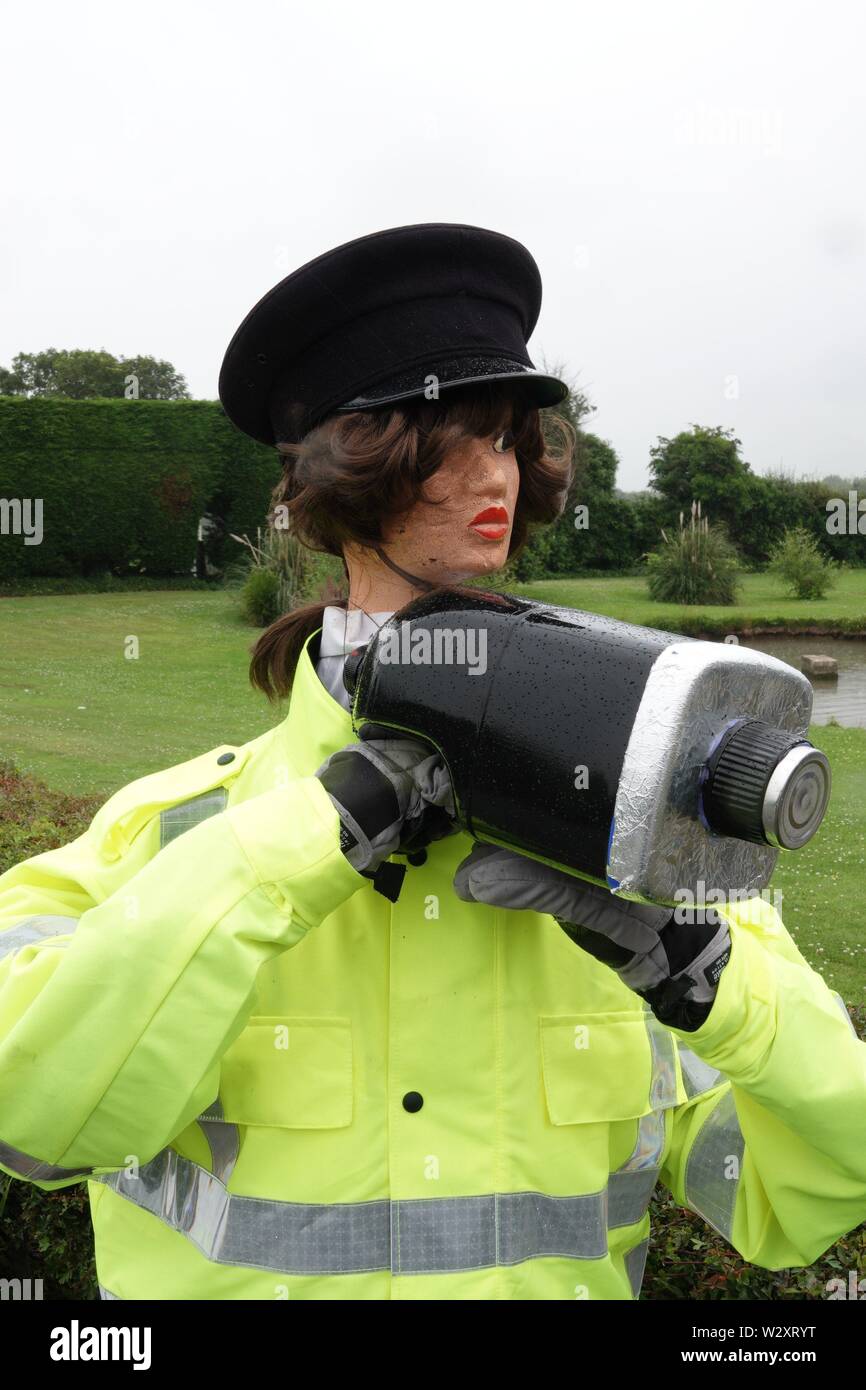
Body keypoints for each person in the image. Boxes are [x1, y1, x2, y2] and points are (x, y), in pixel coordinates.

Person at [0, 224, 864, 1302]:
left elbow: (809, 1195)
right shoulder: (166, 833)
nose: (491, 471)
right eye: (444, 435)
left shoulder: (647, 858)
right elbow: (34, 1120)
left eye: (505, 437)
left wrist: (711, 981)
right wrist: (310, 840)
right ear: (346, 467)